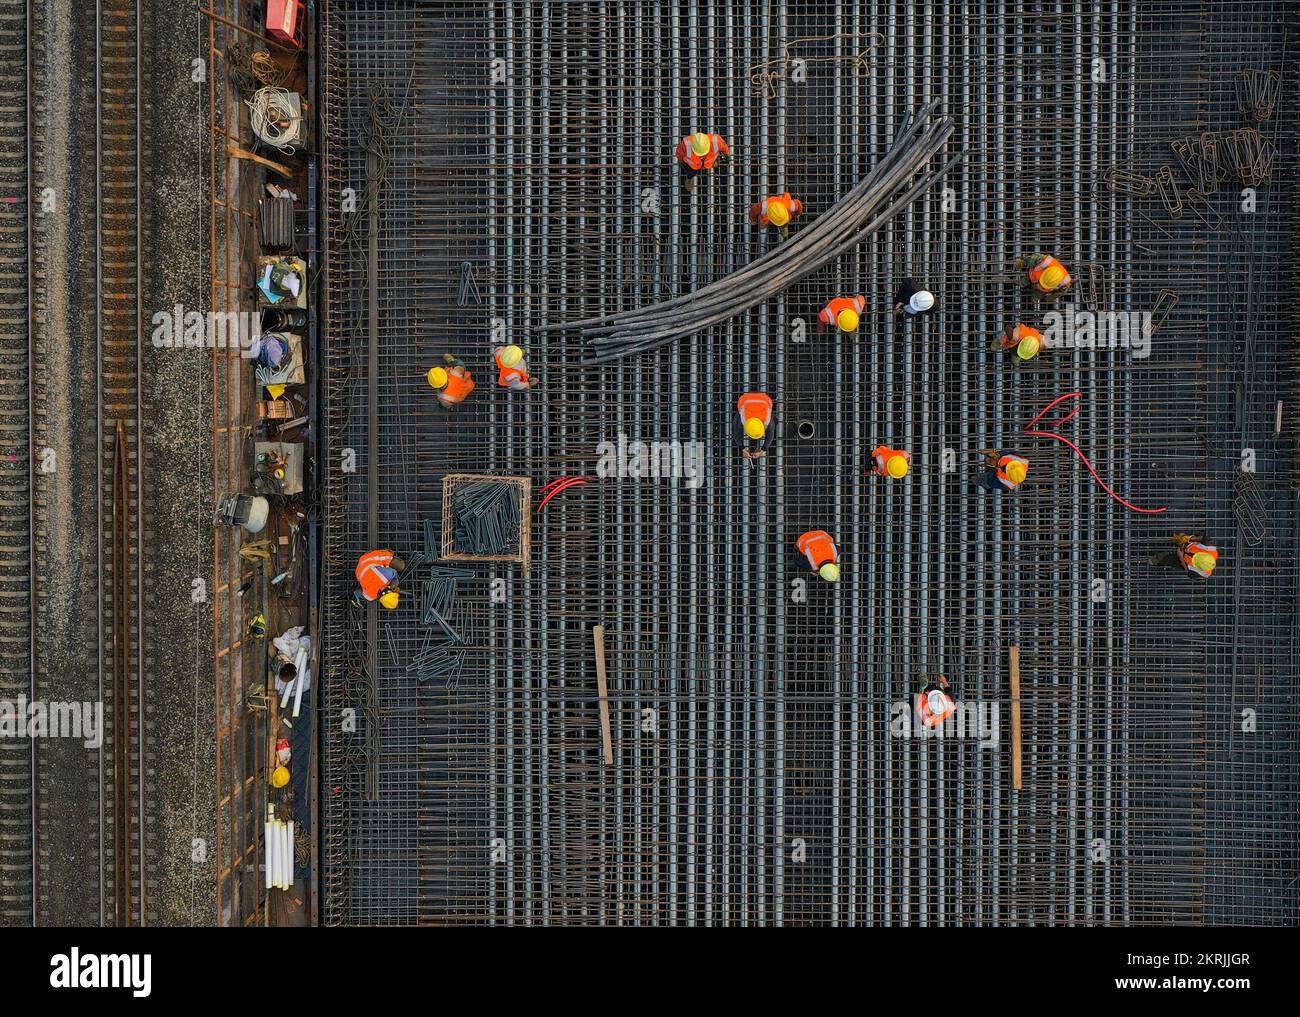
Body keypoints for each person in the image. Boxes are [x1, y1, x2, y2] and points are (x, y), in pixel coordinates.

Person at [1151, 533, 1219, 579]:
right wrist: (1188, 538)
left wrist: (1181, 557)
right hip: (1189, 546)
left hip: (1184, 561)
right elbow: (1204, 538)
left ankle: (1155, 560)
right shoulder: (1210, 548)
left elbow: (1187, 570)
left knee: (1163, 558)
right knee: (1180, 535)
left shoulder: (1200, 573)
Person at [736, 391, 774, 461]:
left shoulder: (743, 419)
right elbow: (770, 435)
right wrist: (762, 450)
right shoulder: (743, 418)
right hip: (754, 398)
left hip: (759, 398)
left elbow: (737, 434)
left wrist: (743, 449)